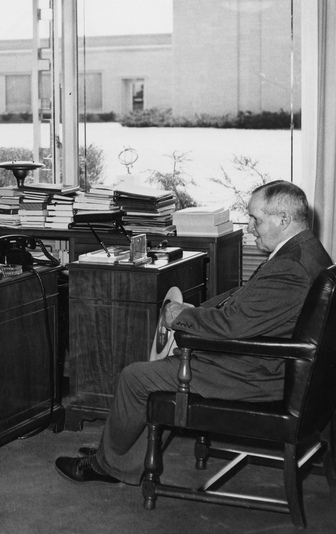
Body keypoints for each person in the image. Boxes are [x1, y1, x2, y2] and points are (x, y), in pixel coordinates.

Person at [55, 180, 332, 486]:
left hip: (258, 374)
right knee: (163, 368)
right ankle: (119, 455)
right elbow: (248, 297)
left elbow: (231, 325)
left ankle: (105, 465)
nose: (251, 228)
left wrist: (182, 317)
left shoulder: (289, 268)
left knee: (135, 377)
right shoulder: (310, 251)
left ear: (283, 219)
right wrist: (195, 310)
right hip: (274, 364)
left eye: (257, 219)